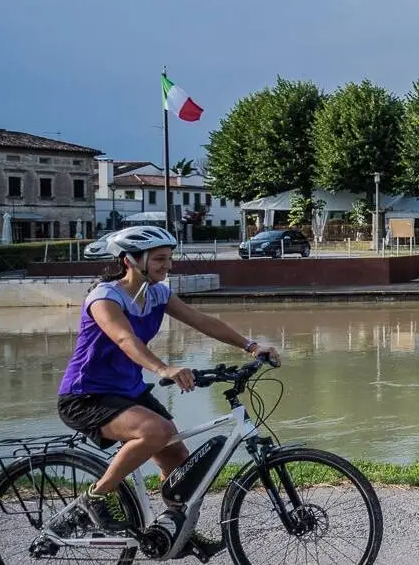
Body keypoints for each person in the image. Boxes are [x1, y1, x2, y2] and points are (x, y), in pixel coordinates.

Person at [49, 225, 279, 560]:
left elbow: (201, 320)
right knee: (155, 431)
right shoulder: (104, 298)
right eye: (159, 259)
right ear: (131, 260)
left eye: (169, 258)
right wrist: (165, 369)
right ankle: (94, 500)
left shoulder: (156, 293)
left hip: (128, 391)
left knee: (178, 462)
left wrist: (251, 346)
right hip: (86, 395)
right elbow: (125, 340)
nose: (167, 266)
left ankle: (175, 533)